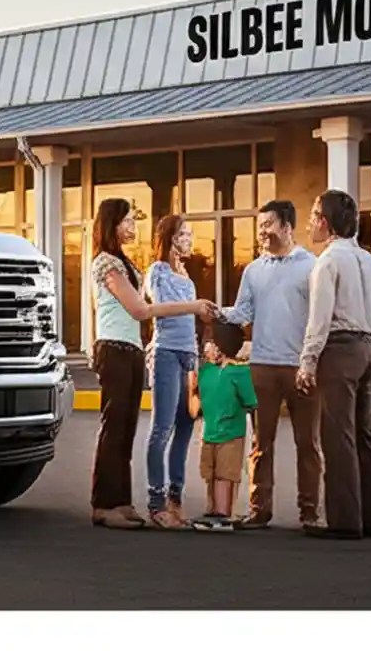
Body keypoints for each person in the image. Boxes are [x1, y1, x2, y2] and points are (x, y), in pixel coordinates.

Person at [88, 198, 216, 531]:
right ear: (112, 224)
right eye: (128, 221)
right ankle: (103, 505)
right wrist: (192, 306)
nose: (133, 227)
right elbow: (141, 311)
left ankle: (121, 501)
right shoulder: (106, 264)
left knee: (126, 428)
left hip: (130, 348)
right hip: (114, 348)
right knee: (114, 427)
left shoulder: (124, 263)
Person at [217, 199, 323, 531]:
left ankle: (309, 512)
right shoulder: (253, 270)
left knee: (308, 443)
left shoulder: (312, 266)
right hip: (261, 365)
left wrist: (313, 360)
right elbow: (242, 313)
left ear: (288, 227)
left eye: (268, 224)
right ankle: (258, 510)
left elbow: (321, 317)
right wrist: (213, 311)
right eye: (260, 225)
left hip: (301, 367)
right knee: (261, 443)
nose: (262, 231)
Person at [296, 189, 371, 540]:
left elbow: (319, 319)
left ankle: (345, 521)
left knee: (338, 436)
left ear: (325, 222)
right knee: (365, 435)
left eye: (314, 215)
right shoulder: (370, 260)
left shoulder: (328, 262)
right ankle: (370, 518)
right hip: (368, 348)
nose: (310, 223)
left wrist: (307, 363)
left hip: (340, 350)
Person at [143, 214, 218, 529]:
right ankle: (156, 502)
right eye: (185, 234)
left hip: (189, 356)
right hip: (166, 355)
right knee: (162, 429)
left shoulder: (187, 279)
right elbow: (159, 306)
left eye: (190, 234)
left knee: (186, 428)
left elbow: (191, 318)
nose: (189, 239)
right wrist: (195, 306)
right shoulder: (157, 271)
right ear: (171, 237)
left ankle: (176, 496)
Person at [187, 320, 258, 532]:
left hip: (231, 433)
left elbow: (251, 401)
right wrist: (192, 388)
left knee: (226, 474)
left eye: (209, 342)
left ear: (221, 346)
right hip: (209, 433)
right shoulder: (205, 372)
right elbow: (195, 409)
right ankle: (212, 509)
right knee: (210, 473)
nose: (205, 347)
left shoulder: (240, 372)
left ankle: (223, 512)